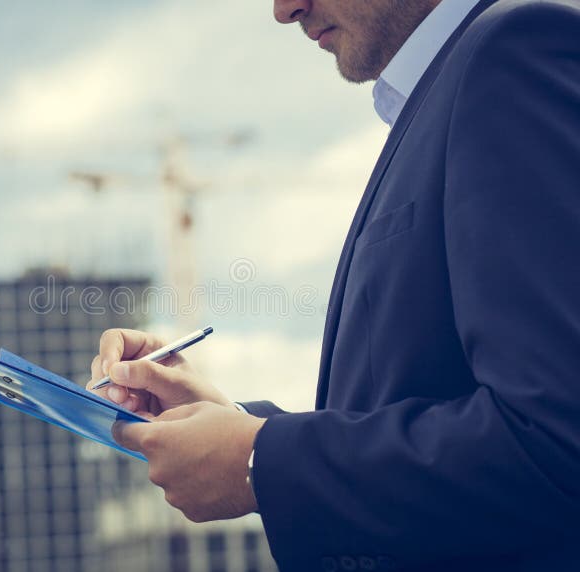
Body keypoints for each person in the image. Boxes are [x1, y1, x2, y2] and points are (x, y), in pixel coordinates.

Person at [86, 0, 580, 569]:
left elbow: (554, 439)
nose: (284, 9)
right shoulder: (453, 84)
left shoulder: (513, 53)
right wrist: (236, 425)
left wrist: (259, 461)